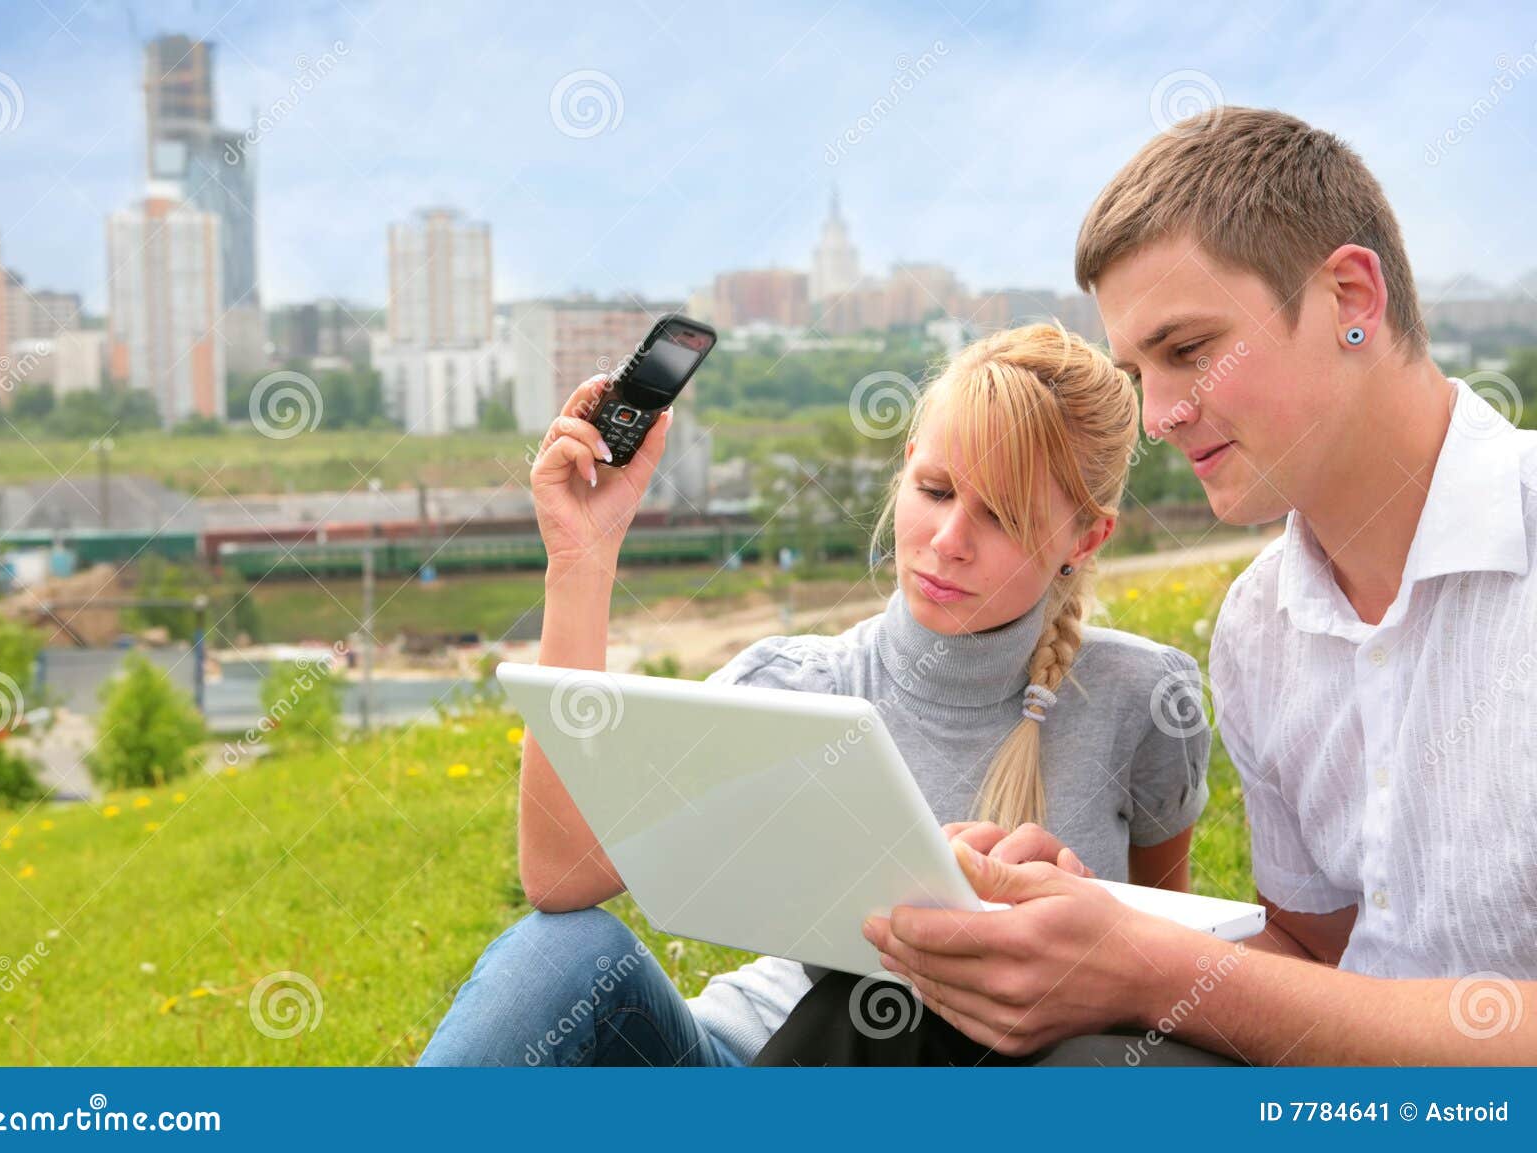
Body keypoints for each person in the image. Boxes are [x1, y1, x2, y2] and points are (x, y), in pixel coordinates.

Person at [820, 107, 1535, 1066]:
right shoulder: (1260, 626)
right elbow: (1314, 963)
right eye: (1138, 370)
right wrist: (1099, 923)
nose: (1157, 415)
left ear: (1350, 298)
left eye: (1190, 350)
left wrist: (1150, 969)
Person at [417, 323, 1216, 1066]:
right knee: (559, 952)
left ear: (1086, 537)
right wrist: (580, 559)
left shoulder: (1141, 700)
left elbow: (1161, 982)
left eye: (1002, 516)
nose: (948, 542)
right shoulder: (795, 686)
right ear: (907, 465)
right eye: (936, 489)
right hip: (754, 1062)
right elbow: (561, 876)